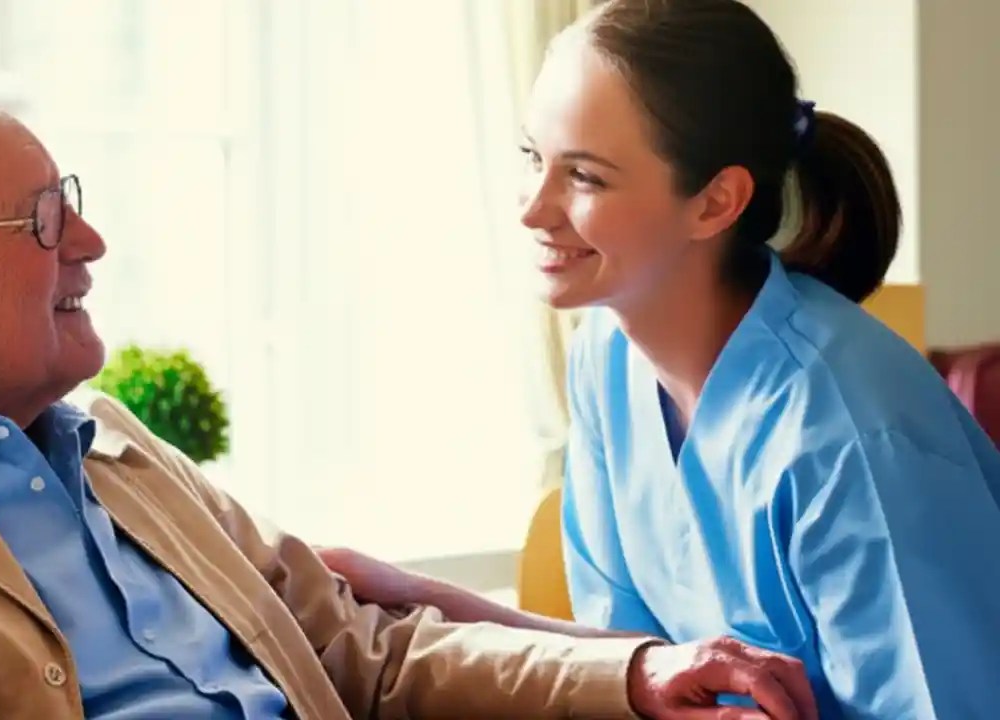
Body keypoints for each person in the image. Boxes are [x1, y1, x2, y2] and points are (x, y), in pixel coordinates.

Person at [0, 64, 818, 720]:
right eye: (44, 219)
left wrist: (631, 676)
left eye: (75, 203)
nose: (92, 243)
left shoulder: (117, 450)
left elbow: (357, 649)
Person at [319, 0, 1000, 718]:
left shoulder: (853, 431)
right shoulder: (605, 360)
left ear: (715, 202)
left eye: (584, 176)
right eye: (532, 157)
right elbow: (633, 663)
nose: (532, 208)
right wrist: (420, 598)